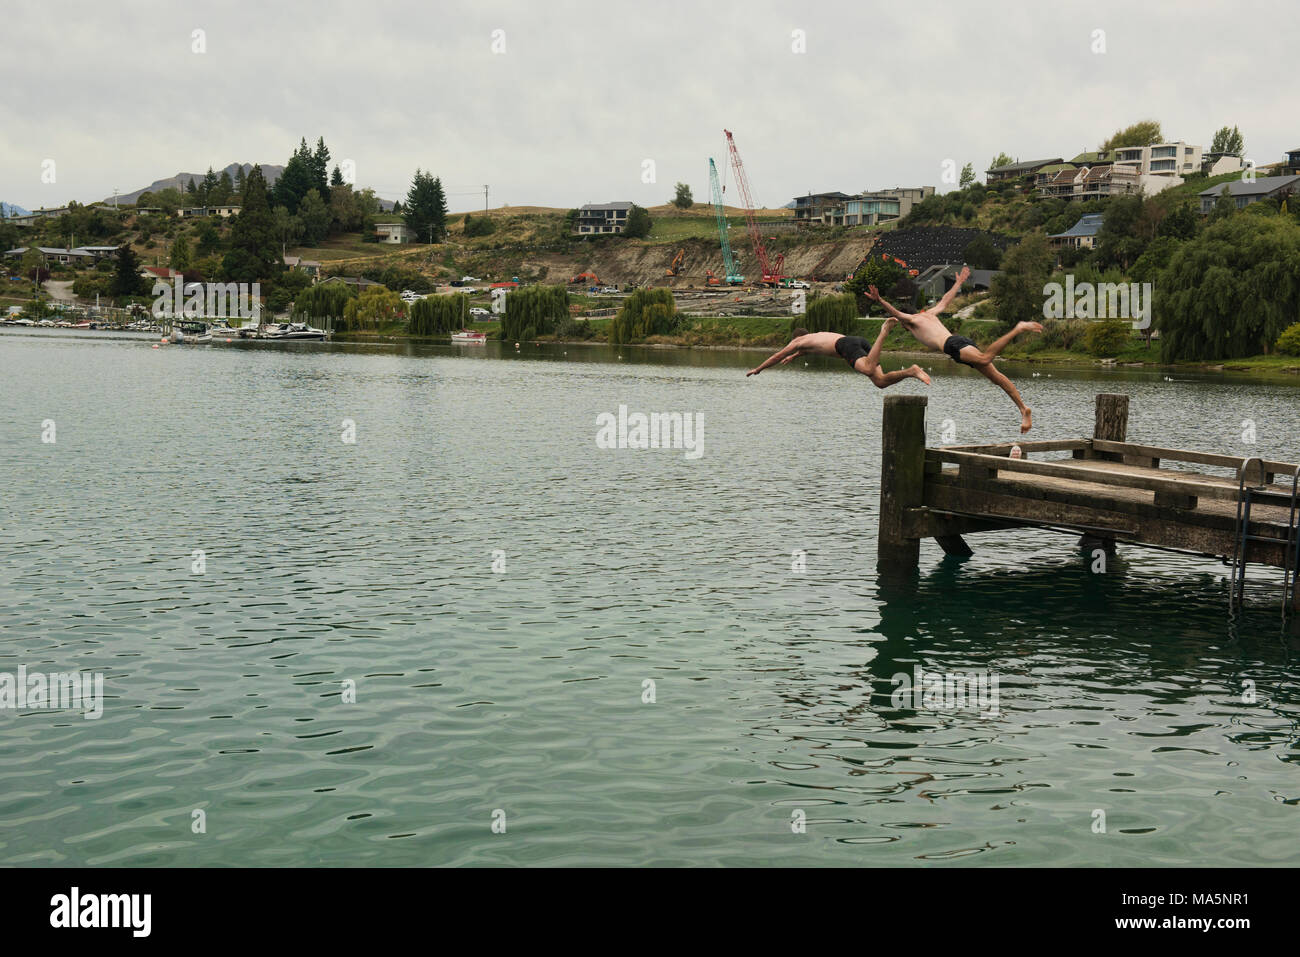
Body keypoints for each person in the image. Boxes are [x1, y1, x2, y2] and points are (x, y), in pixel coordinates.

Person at [867, 266, 1042, 433]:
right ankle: (1023, 409)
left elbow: (896, 313)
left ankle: (1018, 328)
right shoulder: (930, 313)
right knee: (997, 378)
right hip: (959, 342)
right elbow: (945, 302)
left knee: (985, 358)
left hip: (952, 345)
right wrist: (958, 284)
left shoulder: (912, 320)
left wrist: (880, 300)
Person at [745, 319, 930, 388]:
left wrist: (759, 369)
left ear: (797, 339)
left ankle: (883, 332)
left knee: (867, 369)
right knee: (880, 382)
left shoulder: (797, 341)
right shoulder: (815, 338)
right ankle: (911, 371)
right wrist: (794, 356)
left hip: (845, 346)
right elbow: (809, 350)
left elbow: (776, 356)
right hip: (856, 341)